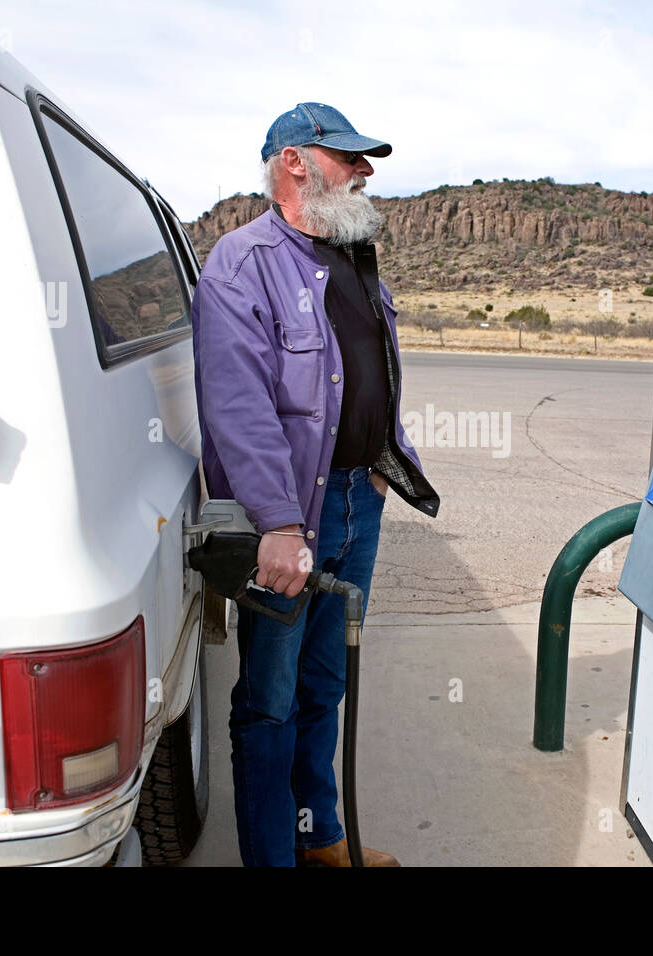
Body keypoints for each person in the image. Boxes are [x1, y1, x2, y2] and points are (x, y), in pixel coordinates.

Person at [190, 102, 440, 867]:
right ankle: (272, 856)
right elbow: (240, 408)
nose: (365, 171)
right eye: (350, 157)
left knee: (324, 682)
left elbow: (369, 379)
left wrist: (385, 462)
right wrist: (279, 524)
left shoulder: (354, 259)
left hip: (358, 499)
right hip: (295, 513)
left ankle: (320, 836)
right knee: (269, 697)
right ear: (294, 162)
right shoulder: (243, 264)